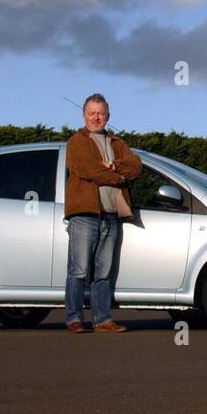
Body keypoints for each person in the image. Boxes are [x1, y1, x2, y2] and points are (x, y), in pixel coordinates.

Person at [63, 93, 141, 333]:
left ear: (108, 116)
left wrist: (114, 165)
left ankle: (102, 320)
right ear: (83, 115)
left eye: (100, 113)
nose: (96, 118)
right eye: (92, 113)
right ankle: (74, 319)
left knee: (104, 273)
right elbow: (88, 170)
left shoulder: (118, 143)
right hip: (85, 214)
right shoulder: (76, 142)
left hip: (111, 214)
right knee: (78, 271)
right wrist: (118, 177)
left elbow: (136, 166)